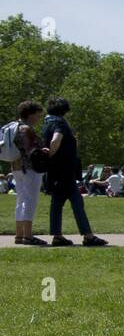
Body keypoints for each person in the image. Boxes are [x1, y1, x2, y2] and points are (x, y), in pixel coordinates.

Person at [42, 98, 107, 246]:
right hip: (65, 169)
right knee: (77, 202)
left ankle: (57, 235)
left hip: (55, 170)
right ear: (64, 110)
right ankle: (88, 235)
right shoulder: (60, 123)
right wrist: (52, 152)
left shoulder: (46, 124)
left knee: (57, 203)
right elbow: (56, 140)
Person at [10, 100, 49, 246]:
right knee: (30, 201)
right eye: (37, 115)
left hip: (16, 167)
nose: (39, 118)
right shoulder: (26, 129)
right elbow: (30, 150)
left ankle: (19, 235)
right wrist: (44, 150)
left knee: (21, 200)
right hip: (30, 168)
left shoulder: (14, 126)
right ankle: (28, 235)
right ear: (30, 114)